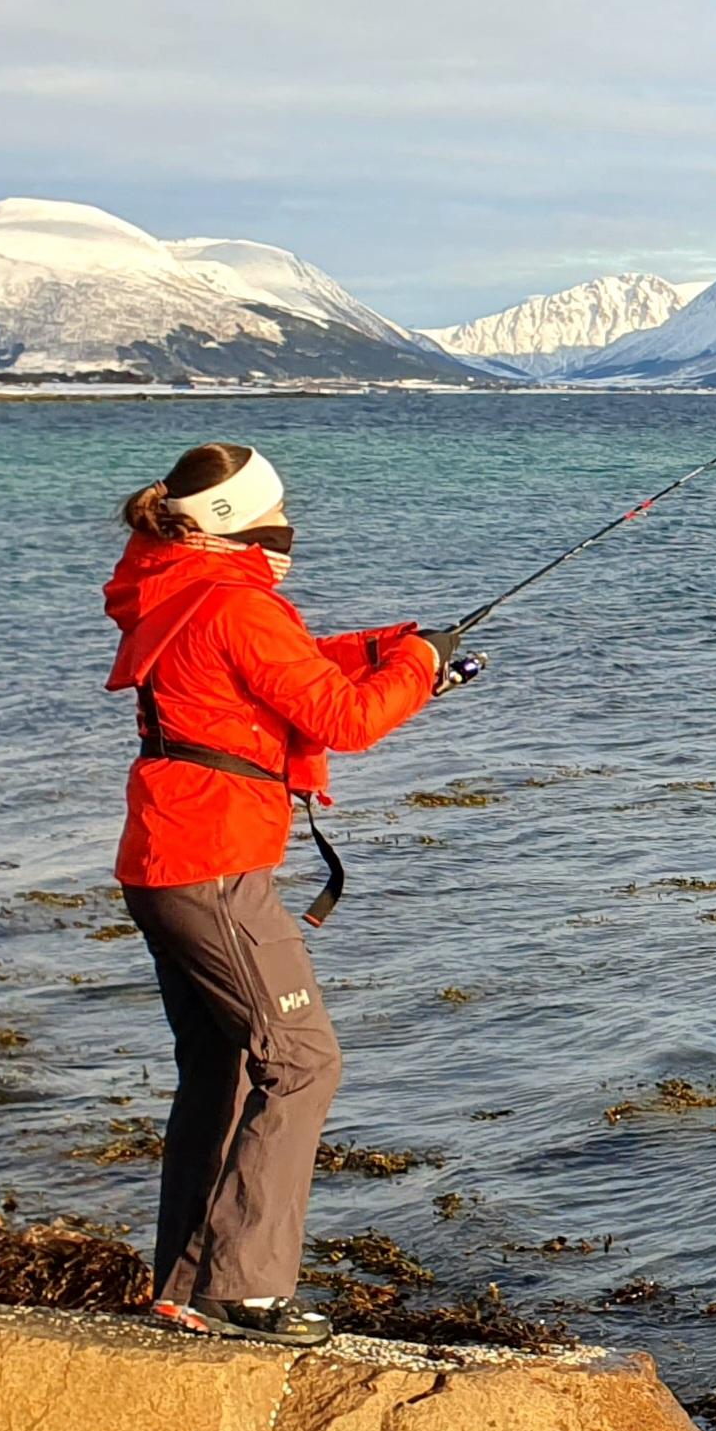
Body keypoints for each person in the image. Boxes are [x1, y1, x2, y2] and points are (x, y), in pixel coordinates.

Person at [103, 441, 479, 1343]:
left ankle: (185, 1287)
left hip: (163, 862)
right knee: (304, 1061)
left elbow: (293, 665)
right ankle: (247, 1289)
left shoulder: (176, 587)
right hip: (215, 869)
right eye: (277, 531)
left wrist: (400, 649)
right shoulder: (235, 604)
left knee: (223, 1069)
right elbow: (342, 719)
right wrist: (417, 671)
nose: (288, 548)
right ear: (235, 534)